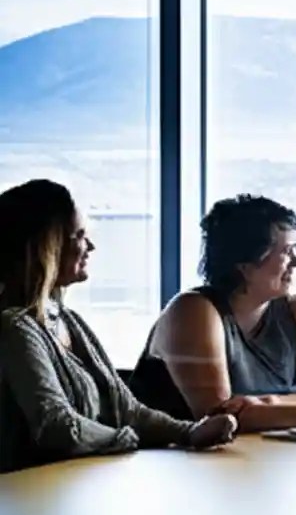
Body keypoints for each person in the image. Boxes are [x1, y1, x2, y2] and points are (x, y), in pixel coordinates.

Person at [0, 179, 237, 472]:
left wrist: (189, 432)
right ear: (47, 246)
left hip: (71, 483)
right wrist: (126, 439)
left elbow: (127, 409)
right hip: (26, 496)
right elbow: (57, 427)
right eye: (80, 235)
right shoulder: (14, 328)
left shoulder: (67, 321)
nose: (91, 246)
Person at [129, 195, 296, 433]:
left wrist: (269, 403)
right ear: (246, 264)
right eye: (287, 251)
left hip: (259, 457)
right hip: (171, 463)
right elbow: (219, 417)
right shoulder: (192, 311)